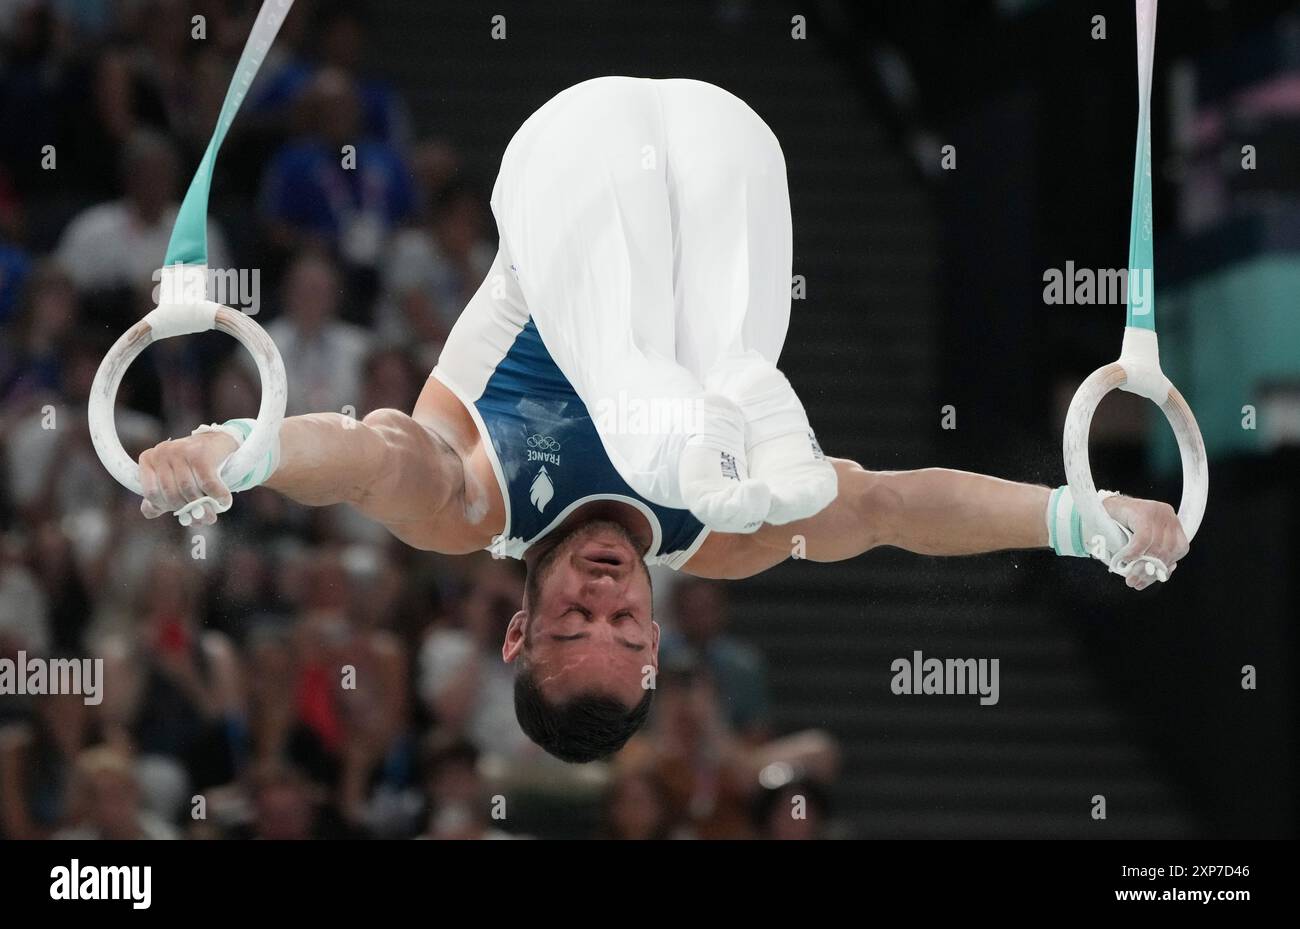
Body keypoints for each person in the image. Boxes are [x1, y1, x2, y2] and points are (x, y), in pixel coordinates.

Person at [131, 77, 1190, 766]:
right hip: (727, 161)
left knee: (676, 412)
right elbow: (899, 505)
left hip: (578, 165)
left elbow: (361, 453)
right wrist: (1077, 515)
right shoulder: (718, 539)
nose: (601, 598)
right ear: (656, 639)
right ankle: (735, 393)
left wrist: (243, 450)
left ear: (514, 627)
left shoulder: (464, 502)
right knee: (808, 468)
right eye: (626, 626)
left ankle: (703, 404)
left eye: (567, 624)